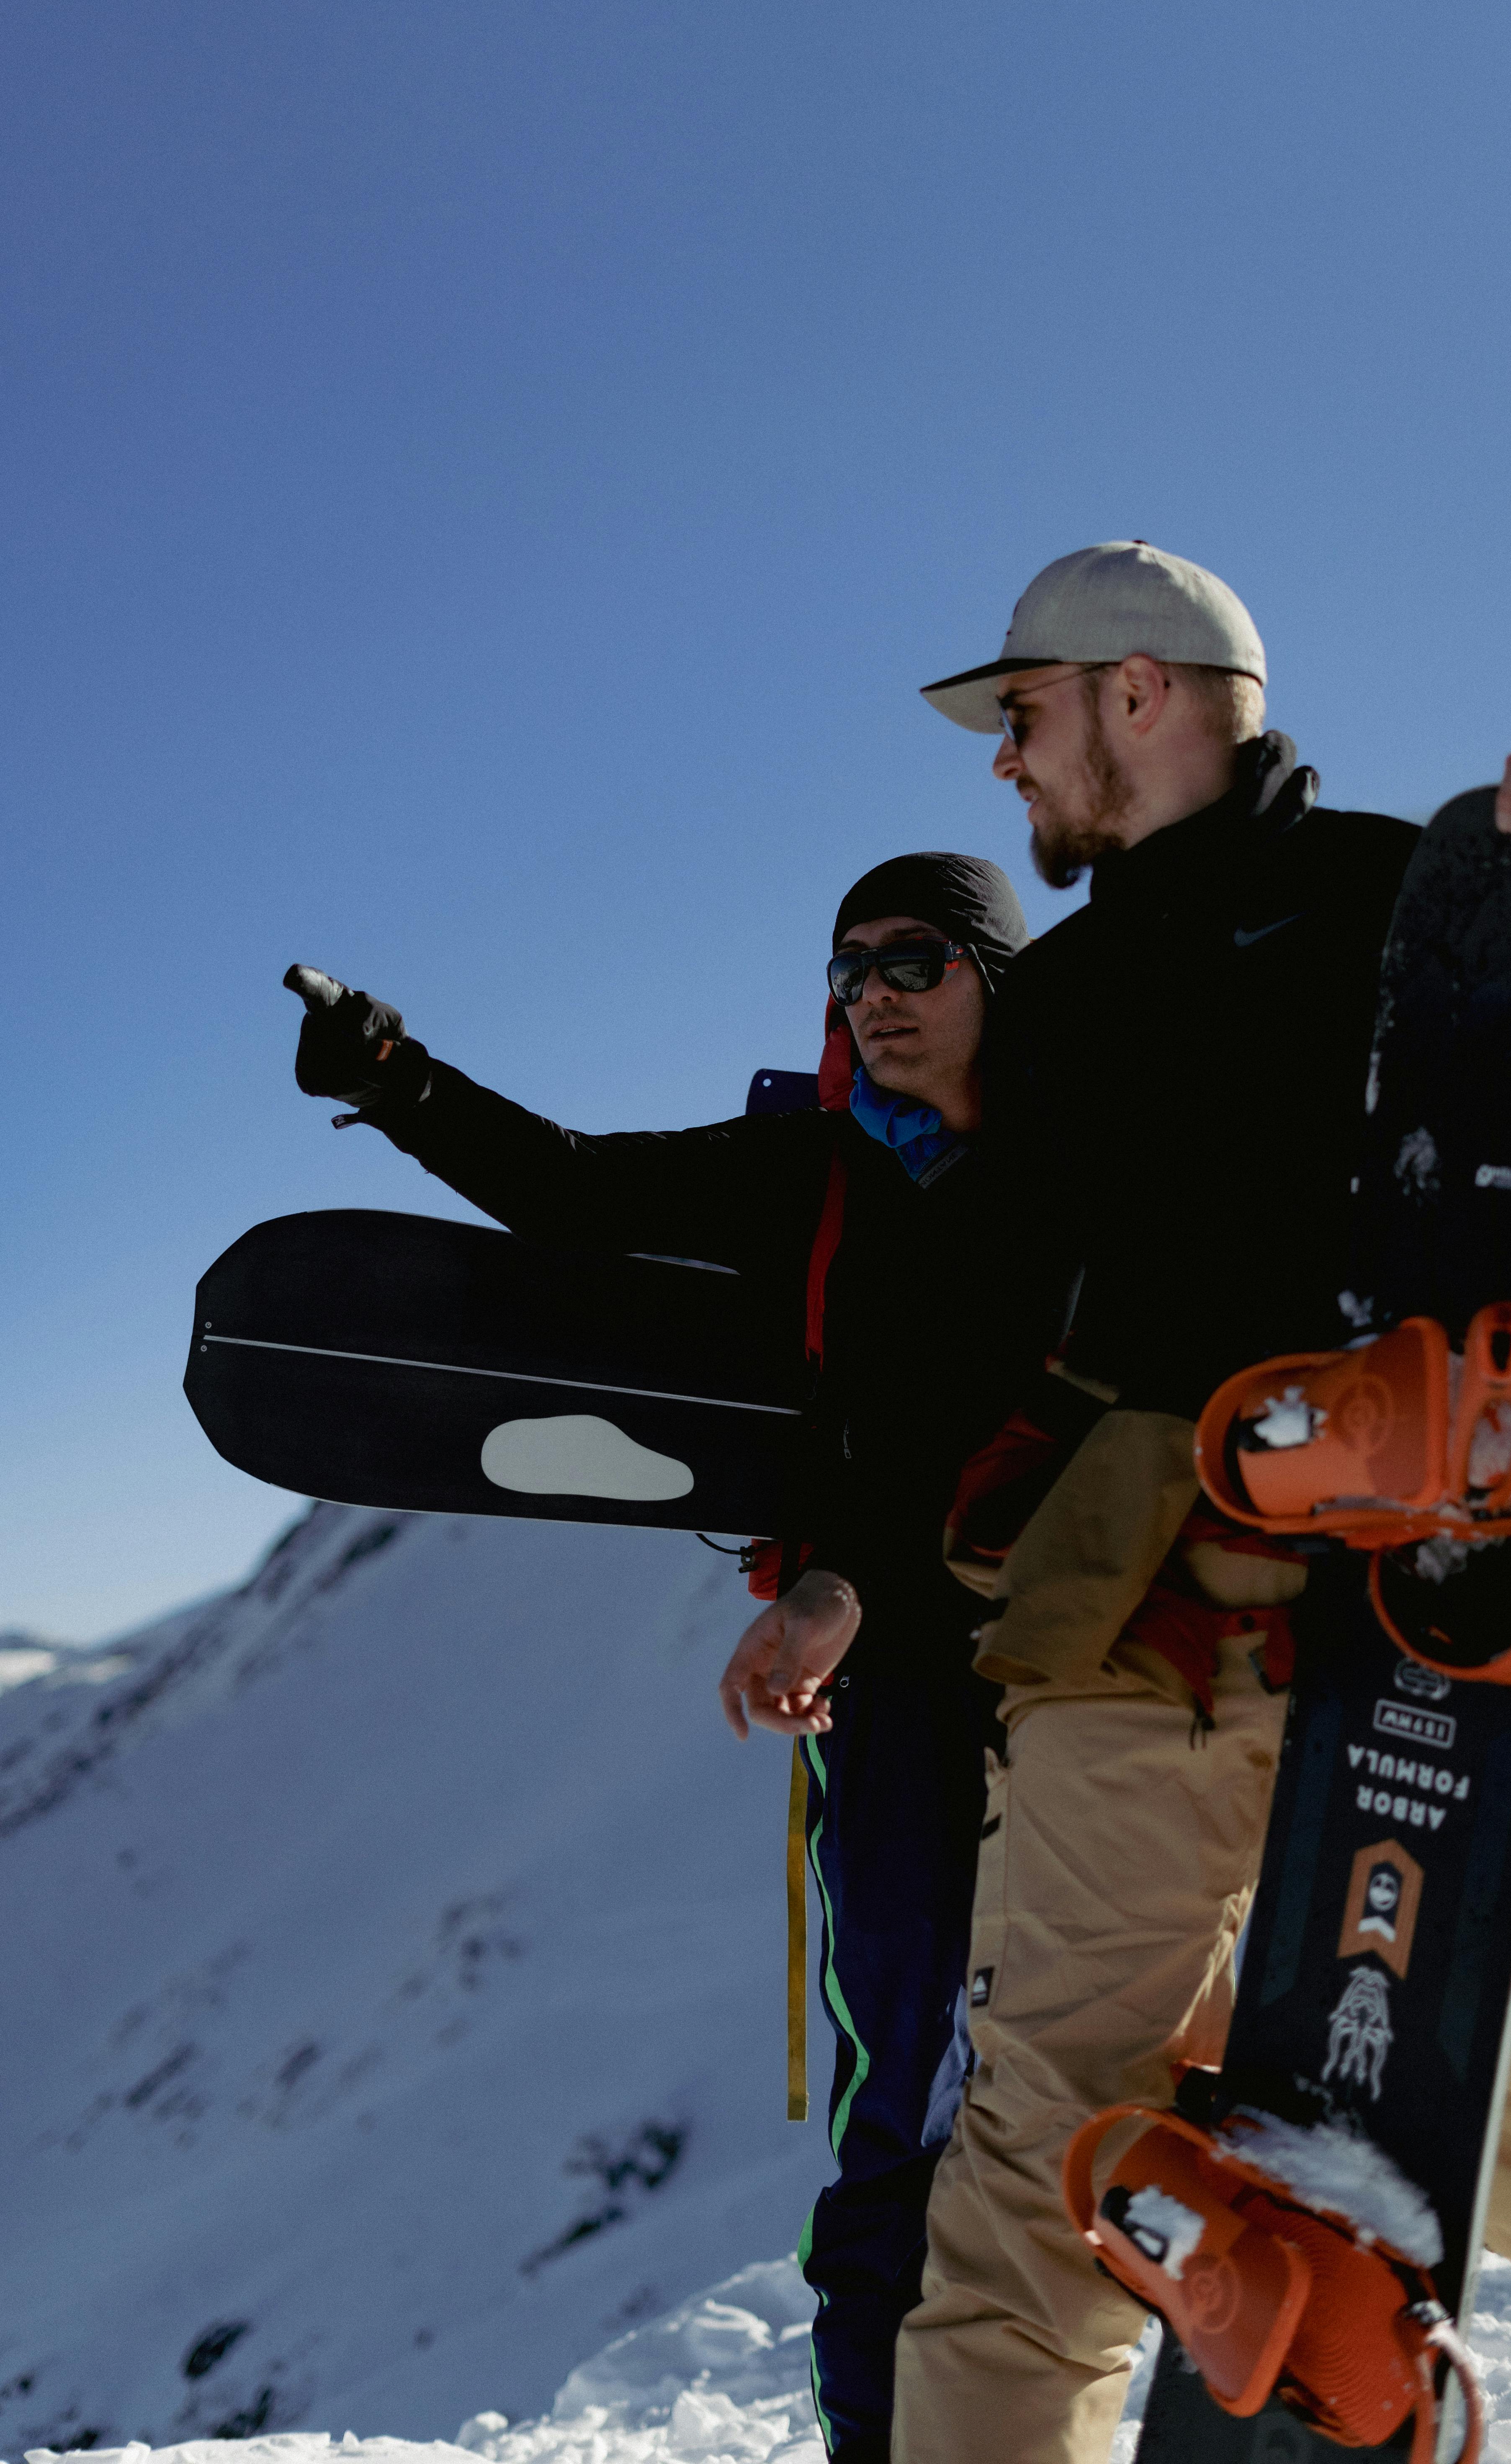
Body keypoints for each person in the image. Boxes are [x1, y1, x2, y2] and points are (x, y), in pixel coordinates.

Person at [868, 543, 1511, 2464]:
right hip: (1131, 1644)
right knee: (1020, 2198)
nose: (1003, 763)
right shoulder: (1048, 1006)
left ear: (1140, 692)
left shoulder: (1411, 897)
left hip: (1442, 1632)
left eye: (1023, 713)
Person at [283, 850, 1053, 2464]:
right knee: (901, 2091)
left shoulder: (1095, 1172)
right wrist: (397, 1077)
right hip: (900, 1689)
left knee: (1093, 2086)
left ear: (1003, 971)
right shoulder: (822, 1176)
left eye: (914, 960)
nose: (875, 996)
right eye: (849, 972)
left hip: (1105, 1681)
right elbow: (583, 1192)